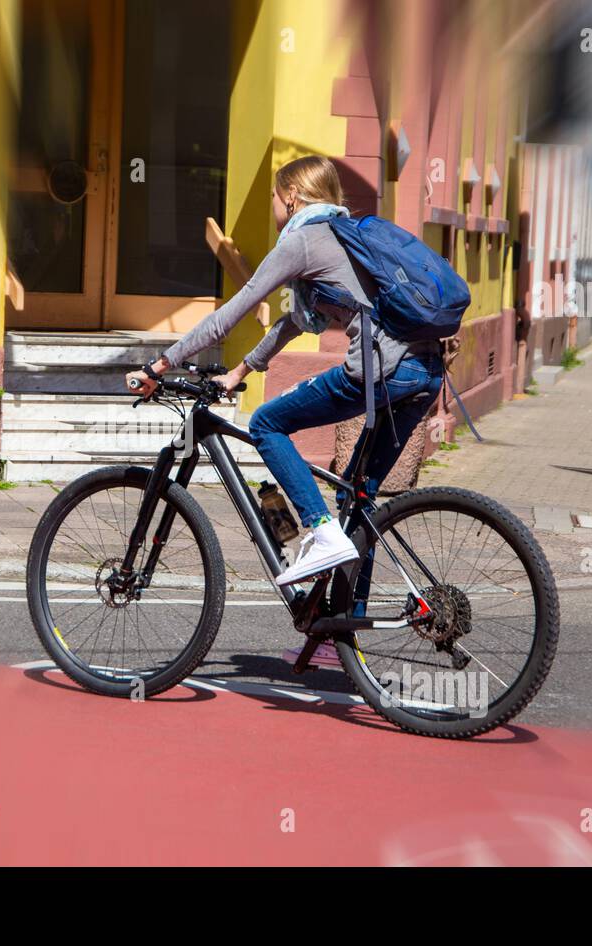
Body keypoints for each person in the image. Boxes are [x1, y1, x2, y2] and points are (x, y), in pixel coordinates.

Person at [125, 156, 444, 668]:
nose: (274, 206)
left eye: (275, 196)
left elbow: (234, 311)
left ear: (292, 195)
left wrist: (162, 364)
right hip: (424, 373)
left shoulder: (302, 240)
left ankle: (317, 529)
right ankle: (342, 641)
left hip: (382, 374)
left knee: (267, 423)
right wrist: (239, 373)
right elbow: (294, 322)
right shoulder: (343, 236)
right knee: (359, 504)